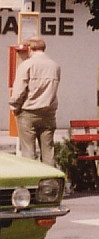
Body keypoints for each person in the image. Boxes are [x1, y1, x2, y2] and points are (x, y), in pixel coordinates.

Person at [9, 38, 62, 166]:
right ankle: (50, 183)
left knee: (28, 153)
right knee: (48, 151)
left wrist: (14, 106)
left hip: (28, 112)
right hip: (48, 113)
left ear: (29, 48)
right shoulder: (55, 66)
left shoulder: (26, 65)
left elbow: (19, 90)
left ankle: (31, 183)